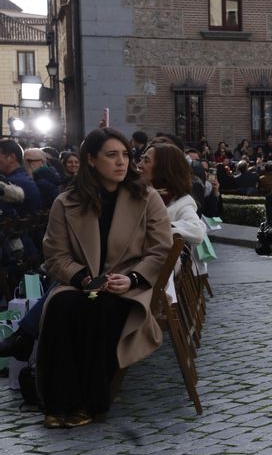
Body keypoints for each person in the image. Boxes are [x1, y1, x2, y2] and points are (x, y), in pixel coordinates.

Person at [36, 127, 172, 428]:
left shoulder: (147, 198)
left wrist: (133, 279)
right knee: (61, 308)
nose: (121, 162)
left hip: (130, 286)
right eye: (112, 155)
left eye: (125, 154)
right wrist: (84, 278)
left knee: (105, 310)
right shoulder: (66, 202)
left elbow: (161, 251)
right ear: (91, 160)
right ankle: (58, 403)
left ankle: (89, 402)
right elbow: (55, 255)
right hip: (79, 281)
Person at [138, 143, 208, 248]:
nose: (139, 165)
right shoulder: (136, 193)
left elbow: (197, 231)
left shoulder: (181, 203)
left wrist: (155, 229)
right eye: (141, 159)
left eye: (146, 161)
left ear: (162, 168)